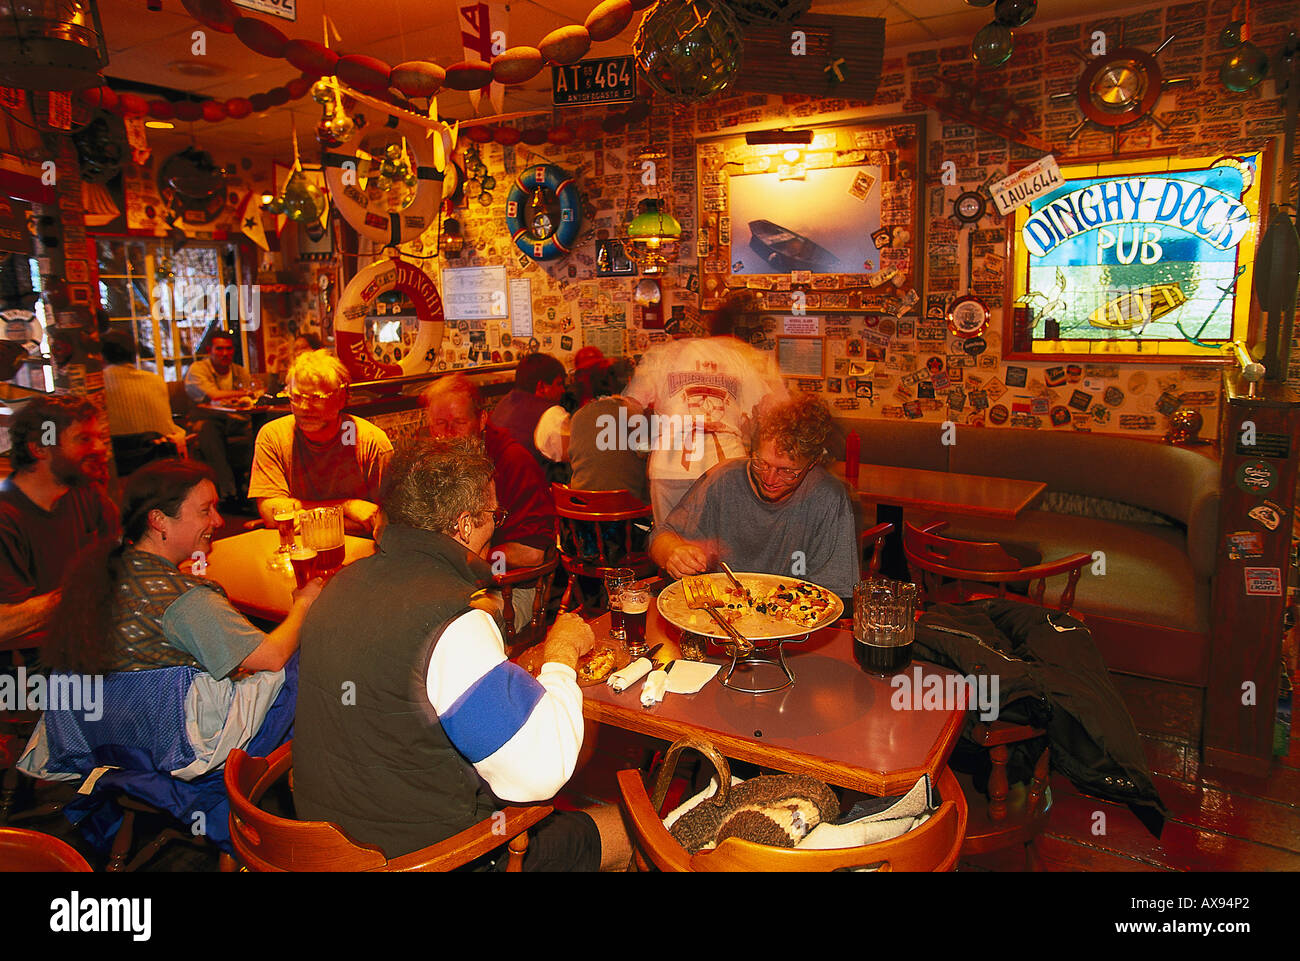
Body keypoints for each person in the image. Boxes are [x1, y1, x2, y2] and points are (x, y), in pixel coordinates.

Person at [293, 441, 631, 870]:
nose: (496, 526)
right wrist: (560, 656)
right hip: (431, 859)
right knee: (634, 826)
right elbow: (544, 770)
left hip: (318, 847)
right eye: (493, 515)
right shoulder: (451, 621)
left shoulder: (338, 585)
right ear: (465, 524)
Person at [42, 460, 320, 680]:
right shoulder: (186, 601)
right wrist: (304, 602)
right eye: (205, 511)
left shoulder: (108, 568)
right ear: (159, 520)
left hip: (114, 734)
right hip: (181, 739)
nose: (219, 520)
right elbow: (271, 657)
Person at [649, 394, 859, 600]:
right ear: (752, 450)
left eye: (786, 471)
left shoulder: (827, 497)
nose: (769, 478)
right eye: (761, 462)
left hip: (791, 622)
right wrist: (673, 552)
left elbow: (836, 596)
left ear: (812, 463)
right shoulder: (724, 479)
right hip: (722, 613)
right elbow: (660, 537)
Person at [626, 292, 787, 524]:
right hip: (724, 467)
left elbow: (631, 404)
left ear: (710, 325)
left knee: (671, 546)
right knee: (720, 549)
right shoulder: (749, 358)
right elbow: (780, 414)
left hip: (669, 466)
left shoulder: (668, 352)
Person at [421, 374, 555, 631]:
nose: (448, 434)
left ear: (482, 420)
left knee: (451, 629)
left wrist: (464, 558)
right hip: (444, 582)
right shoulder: (430, 460)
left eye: (459, 422)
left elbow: (532, 553)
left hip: (506, 588)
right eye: (439, 423)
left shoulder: (513, 462)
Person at [0, 395, 118, 655]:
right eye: (84, 439)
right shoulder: (6, 517)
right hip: (39, 670)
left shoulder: (85, 490)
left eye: (99, 437)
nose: (100, 448)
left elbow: (121, 554)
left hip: (92, 642)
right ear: (39, 448)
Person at [248, 350, 393, 537]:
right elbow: (271, 511)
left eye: (316, 398)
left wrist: (301, 516)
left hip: (360, 551)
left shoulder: (372, 442)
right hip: (298, 550)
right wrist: (348, 507)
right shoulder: (273, 436)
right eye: (297, 397)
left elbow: (385, 520)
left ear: (342, 398)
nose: (304, 408)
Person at [100, 332, 189, 474]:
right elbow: (166, 425)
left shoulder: (98, 386)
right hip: (160, 456)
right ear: (134, 355)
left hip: (121, 463)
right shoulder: (156, 380)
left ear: (101, 356)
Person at [183, 330, 254, 504]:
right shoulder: (198, 369)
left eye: (229, 349)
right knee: (209, 429)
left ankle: (252, 487)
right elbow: (213, 395)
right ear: (210, 350)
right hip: (205, 420)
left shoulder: (239, 371)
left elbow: (252, 395)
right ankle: (228, 492)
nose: (225, 353)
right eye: (219, 349)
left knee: (262, 428)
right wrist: (241, 394)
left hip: (236, 421)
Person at [568, 358, 649, 504]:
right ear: (629, 383)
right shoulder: (632, 412)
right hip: (624, 511)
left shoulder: (578, 416)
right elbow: (644, 452)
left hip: (583, 512)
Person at [489, 352, 570, 469]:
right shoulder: (552, 414)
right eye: (559, 384)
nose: (562, 390)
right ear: (541, 387)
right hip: (532, 483)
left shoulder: (504, 402)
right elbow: (571, 455)